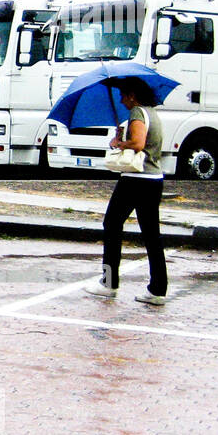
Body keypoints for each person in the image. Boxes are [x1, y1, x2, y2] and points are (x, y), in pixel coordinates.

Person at [84, 76, 168, 305]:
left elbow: (139, 144)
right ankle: (158, 289)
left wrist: (118, 143)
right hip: (154, 178)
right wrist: (123, 137)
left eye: (123, 95)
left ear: (132, 95)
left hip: (135, 179)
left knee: (111, 224)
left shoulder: (138, 114)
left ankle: (109, 283)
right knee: (151, 234)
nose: (121, 101)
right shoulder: (152, 113)